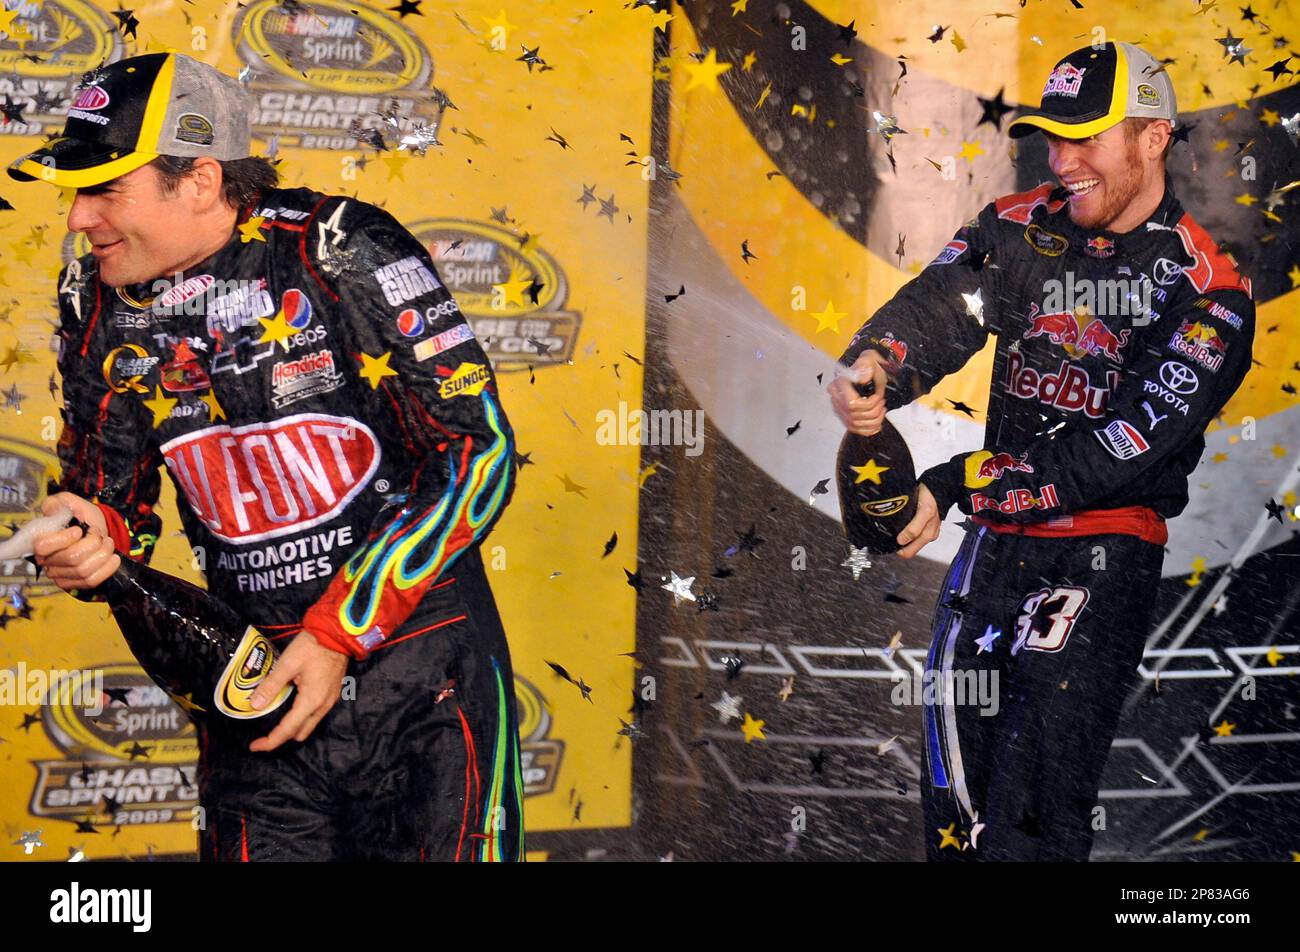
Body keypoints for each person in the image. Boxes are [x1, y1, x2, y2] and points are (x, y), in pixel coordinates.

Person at [11, 52, 525, 861]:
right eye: (77, 191)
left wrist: (338, 631)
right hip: (253, 692)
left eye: (106, 189)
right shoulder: (95, 297)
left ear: (203, 181)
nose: (78, 218)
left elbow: (478, 452)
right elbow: (115, 507)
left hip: (424, 685)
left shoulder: (340, 249)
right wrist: (89, 531)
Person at [829, 42, 1254, 860]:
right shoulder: (1016, 229)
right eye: (1053, 138)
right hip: (992, 556)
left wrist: (953, 483)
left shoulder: (1211, 293)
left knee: (1028, 819)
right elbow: (937, 312)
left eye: (1086, 138)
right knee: (954, 813)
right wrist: (875, 367)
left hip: (1102, 557)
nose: (1062, 160)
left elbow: (1118, 452)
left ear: (1153, 137)